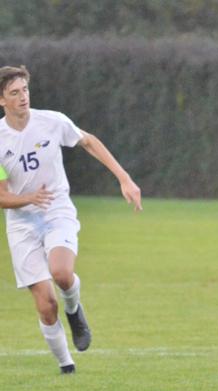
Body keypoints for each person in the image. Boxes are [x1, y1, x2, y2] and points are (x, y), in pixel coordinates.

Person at [0, 65, 142, 374]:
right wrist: (27, 199)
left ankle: (75, 310)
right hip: (22, 223)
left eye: (25, 89)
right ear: (2, 100)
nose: (23, 97)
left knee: (62, 273)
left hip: (56, 209)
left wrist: (124, 178)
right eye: (14, 93)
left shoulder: (52, 122)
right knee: (45, 306)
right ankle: (67, 366)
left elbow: (89, 141)